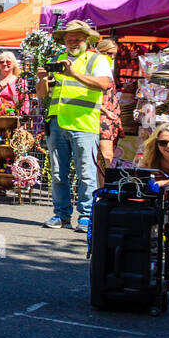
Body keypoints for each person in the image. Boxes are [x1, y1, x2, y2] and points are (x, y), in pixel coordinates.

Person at [36, 20, 114, 232]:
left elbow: (105, 84)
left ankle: (87, 216)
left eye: (77, 38)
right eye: (69, 39)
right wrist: (42, 79)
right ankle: (61, 215)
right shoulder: (56, 59)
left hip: (84, 123)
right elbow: (42, 94)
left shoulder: (98, 60)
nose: (73, 42)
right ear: (64, 41)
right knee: (58, 173)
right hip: (57, 122)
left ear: (86, 39)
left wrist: (74, 74)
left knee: (86, 173)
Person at [96, 38, 122, 170]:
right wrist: (105, 110)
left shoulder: (106, 68)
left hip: (109, 116)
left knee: (105, 157)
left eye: (114, 54)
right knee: (105, 155)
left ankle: (101, 186)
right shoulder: (95, 67)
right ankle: (100, 187)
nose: (112, 57)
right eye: (109, 53)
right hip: (101, 115)